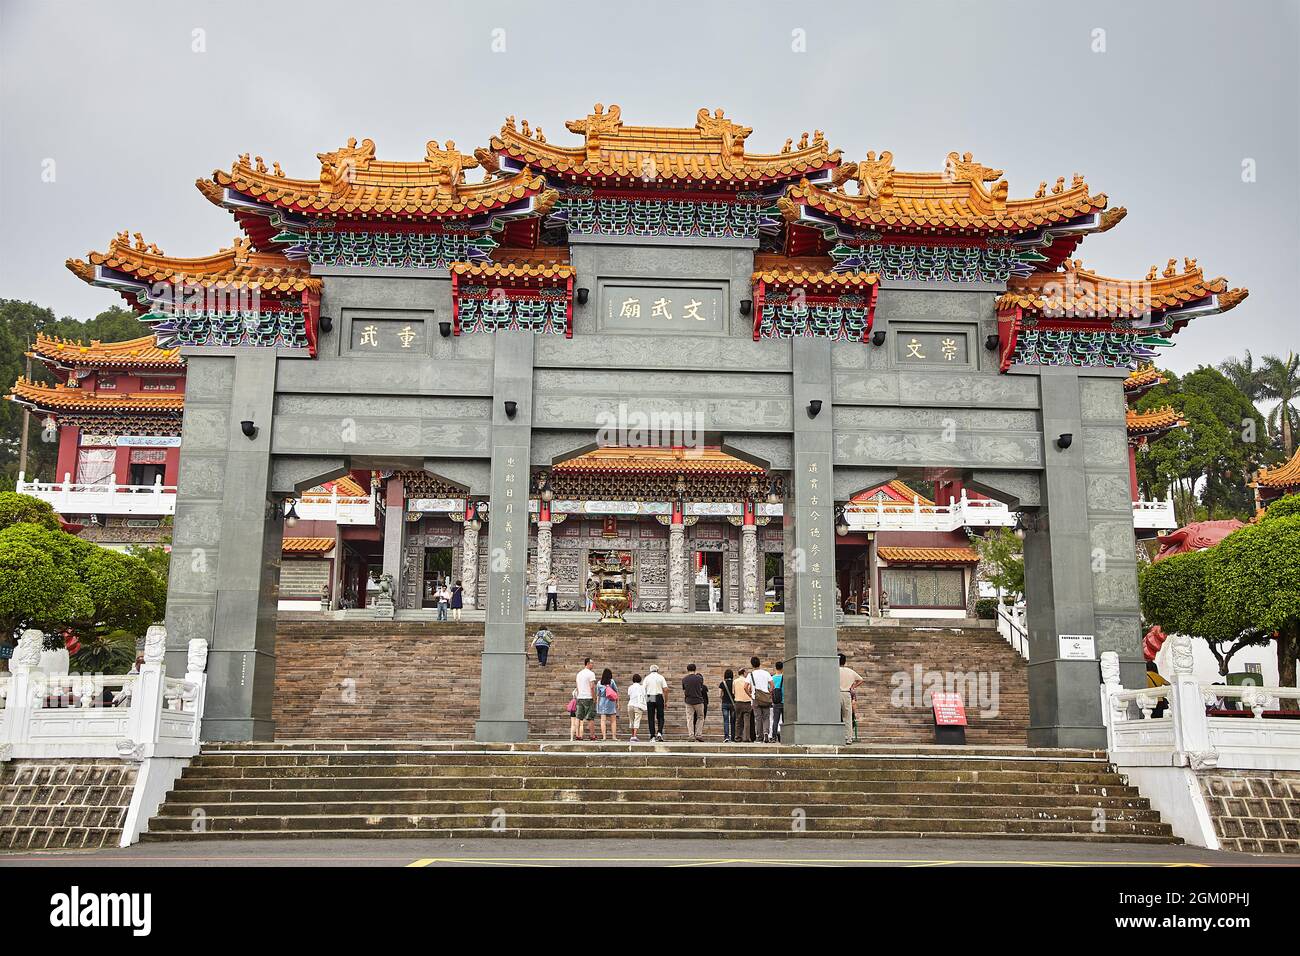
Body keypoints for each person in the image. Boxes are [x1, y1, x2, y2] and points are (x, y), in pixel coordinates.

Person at [839, 653, 864, 745]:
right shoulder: (850, 671)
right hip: (847, 694)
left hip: (836, 694)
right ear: (845, 662)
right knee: (847, 717)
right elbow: (861, 679)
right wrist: (853, 687)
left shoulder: (834, 670)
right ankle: (848, 738)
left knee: (835, 717)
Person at [749, 656, 774, 743]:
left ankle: (759, 737)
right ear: (759, 663)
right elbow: (772, 685)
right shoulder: (766, 673)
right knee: (766, 717)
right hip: (766, 698)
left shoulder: (750, 675)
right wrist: (769, 693)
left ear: (752, 664)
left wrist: (750, 695)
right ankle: (766, 733)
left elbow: (745, 687)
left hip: (756, 698)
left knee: (758, 718)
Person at [681, 663, 707, 742]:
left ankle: (691, 735)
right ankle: (698, 734)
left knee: (690, 718)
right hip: (698, 700)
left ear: (687, 669)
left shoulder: (684, 679)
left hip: (688, 701)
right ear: (695, 669)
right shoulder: (699, 678)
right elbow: (701, 688)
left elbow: (684, 690)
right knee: (700, 717)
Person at [644, 664, 668, 741]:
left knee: (651, 717)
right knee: (660, 716)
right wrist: (666, 701)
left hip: (650, 696)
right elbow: (666, 689)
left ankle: (652, 736)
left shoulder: (647, 678)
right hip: (658, 696)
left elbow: (643, 689)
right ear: (657, 670)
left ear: (650, 670)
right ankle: (659, 733)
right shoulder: (661, 677)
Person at [575, 658, 597, 741]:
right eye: (592, 663)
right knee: (590, 717)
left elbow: (577, 687)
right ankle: (592, 735)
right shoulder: (591, 674)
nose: (593, 665)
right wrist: (594, 697)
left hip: (580, 697)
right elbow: (592, 687)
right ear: (588, 663)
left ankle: (578, 735)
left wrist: (579, 695)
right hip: (588, 697)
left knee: (578, 717)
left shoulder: (579, 674)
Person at [596, 668, 619, 740]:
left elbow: (598, 694)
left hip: (602, 702)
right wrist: (618, 702)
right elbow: (616, 692)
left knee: (603, 720)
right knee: (613, 720)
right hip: (611, 701)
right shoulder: (612, 682)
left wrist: (597, 703)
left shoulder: (599, 683)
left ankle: (604, 737)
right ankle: (614, 737)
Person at [733, 667, 754, 742]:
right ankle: (746, 737)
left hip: (738, 702)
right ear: (744, 673)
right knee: (747, 721)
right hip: (747, 702)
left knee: (738, 720)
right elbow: (751, 690)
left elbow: (733, 692)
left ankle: (738, 737)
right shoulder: (748, 681)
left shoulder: (735, 681)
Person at [628, 673, 647, 742]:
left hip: (630, 705)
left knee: (631, 720)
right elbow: (644, 695)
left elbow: (629, 695)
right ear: (640, 680)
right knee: (637, 720)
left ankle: (632, 735)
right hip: (638, 705)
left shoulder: (630, 687)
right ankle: (635, 736)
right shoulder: (642, 687)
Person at [719, 668, 736, 742]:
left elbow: (719, 694)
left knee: (726, 721)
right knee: (733, 721)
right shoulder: (734, 682)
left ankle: (726, 737)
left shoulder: (722, 683)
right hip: (733, 704)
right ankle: (733, 737)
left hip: (725, 703)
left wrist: (723, 697)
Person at [770, 660, 785, 743]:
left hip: (776, 702)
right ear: (782, 668)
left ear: (775, 668)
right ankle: (785, 737)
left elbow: (770, 689)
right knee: (785, 721)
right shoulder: (785, 677)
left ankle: (774, 737)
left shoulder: (772, 678)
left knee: (775, 720)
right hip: (784, 701)